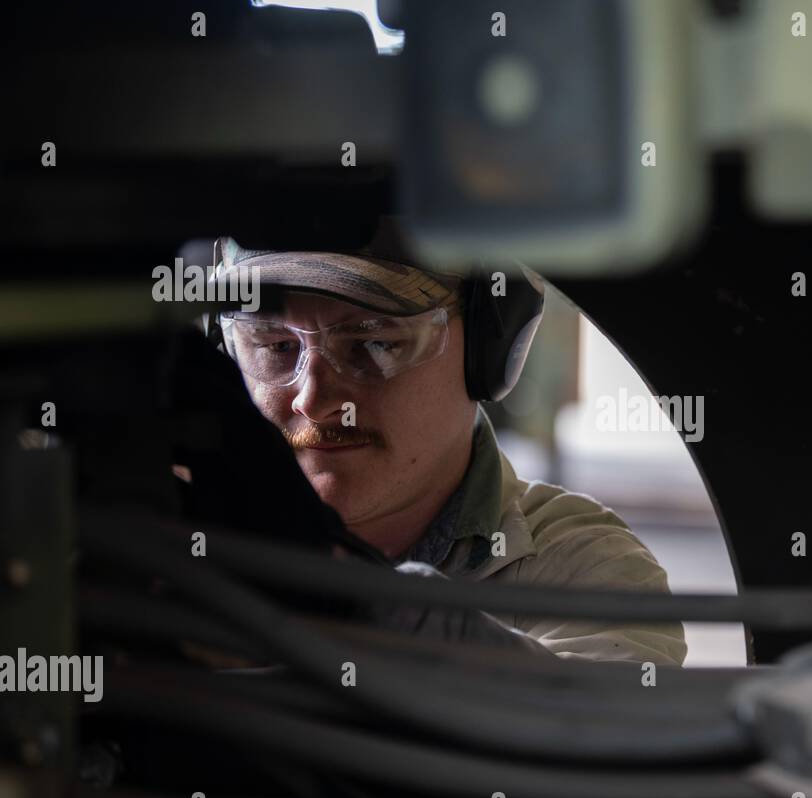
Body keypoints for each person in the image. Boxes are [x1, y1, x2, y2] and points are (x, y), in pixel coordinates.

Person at [209, 226, 687, 666]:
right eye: (274, 347)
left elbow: (596, 727)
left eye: (375, 343)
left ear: (488, 351)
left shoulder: (584, 567)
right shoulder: (177, 543)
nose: (313, 400)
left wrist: (359, 601)